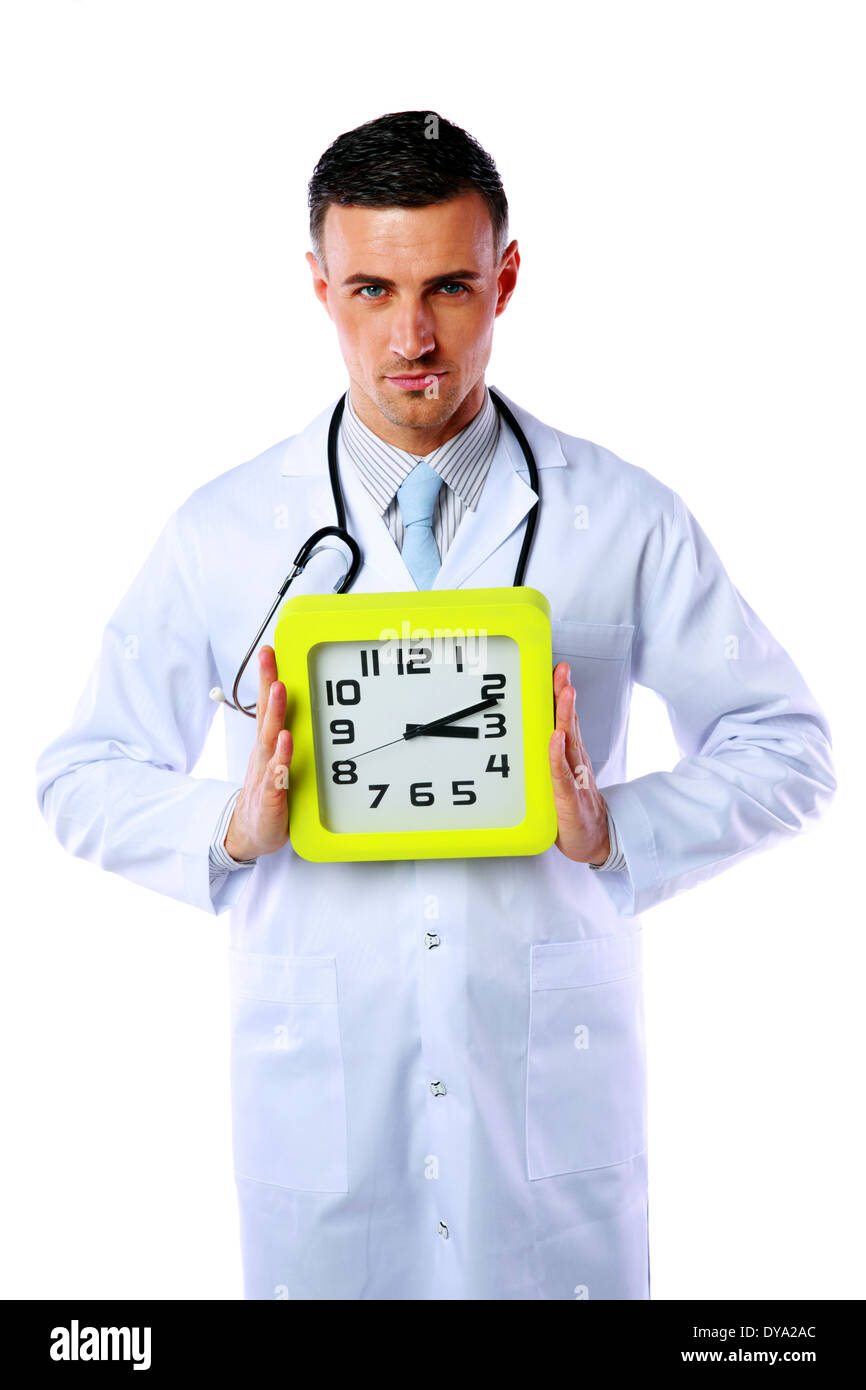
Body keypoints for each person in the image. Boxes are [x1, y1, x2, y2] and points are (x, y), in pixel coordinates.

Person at [35, 110, 836, 1301]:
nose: (410, 336)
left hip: (543, 1097)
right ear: (317, 286)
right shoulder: (223, 531)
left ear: (504, 277)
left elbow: (789, 749)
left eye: (449, 287)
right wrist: (232, 828)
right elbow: (81, 773)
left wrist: (614, 829)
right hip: (325, 1100)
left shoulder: (618, 517)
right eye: (369, 288)